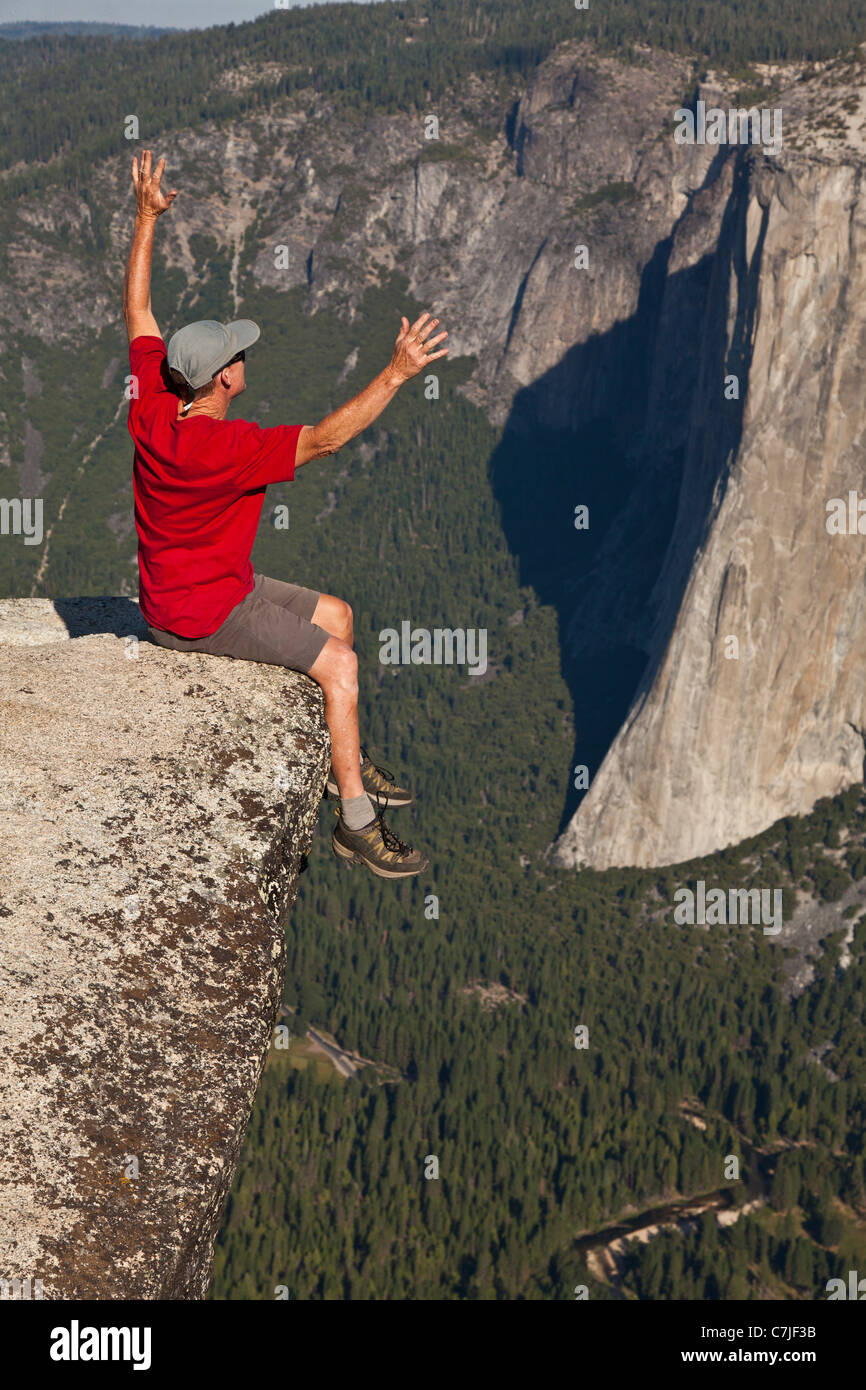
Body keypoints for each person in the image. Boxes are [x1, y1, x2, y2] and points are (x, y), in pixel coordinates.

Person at [123, 150, 448, 878]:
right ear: (224, 379)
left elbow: (139, 312)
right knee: (340, 662)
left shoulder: (151, 403)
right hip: (200, 617)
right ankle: (356, 823)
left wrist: (145, 219)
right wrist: (396, 372)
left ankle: (345, 759)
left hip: (196, 590)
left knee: (337, 613)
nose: (244, 356)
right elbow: (329, 438)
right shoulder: (230, 447)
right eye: (237, 353)